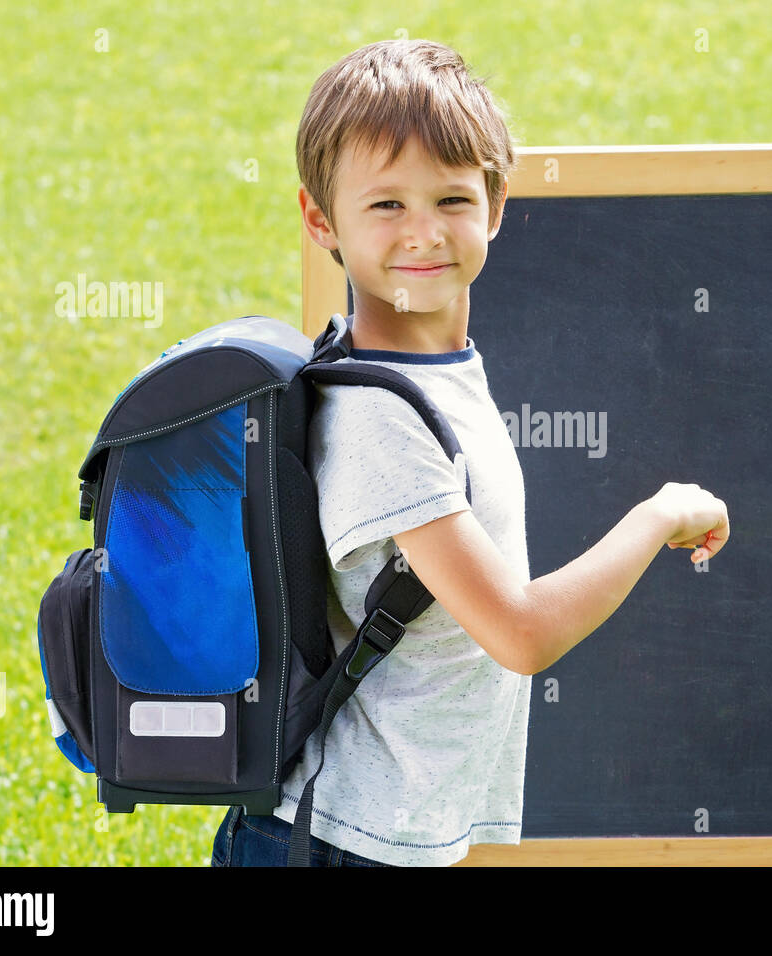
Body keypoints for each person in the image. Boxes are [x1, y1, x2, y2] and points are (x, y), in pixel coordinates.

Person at [211, 38, 730, 868]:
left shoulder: (437, 372)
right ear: (321, 220)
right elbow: (519, 635)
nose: (424, 233)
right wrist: (659, 514)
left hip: (392, 837)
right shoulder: (377, 421)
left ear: (494, 204)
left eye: (451, 198)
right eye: (385, 206)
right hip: (339, 843)